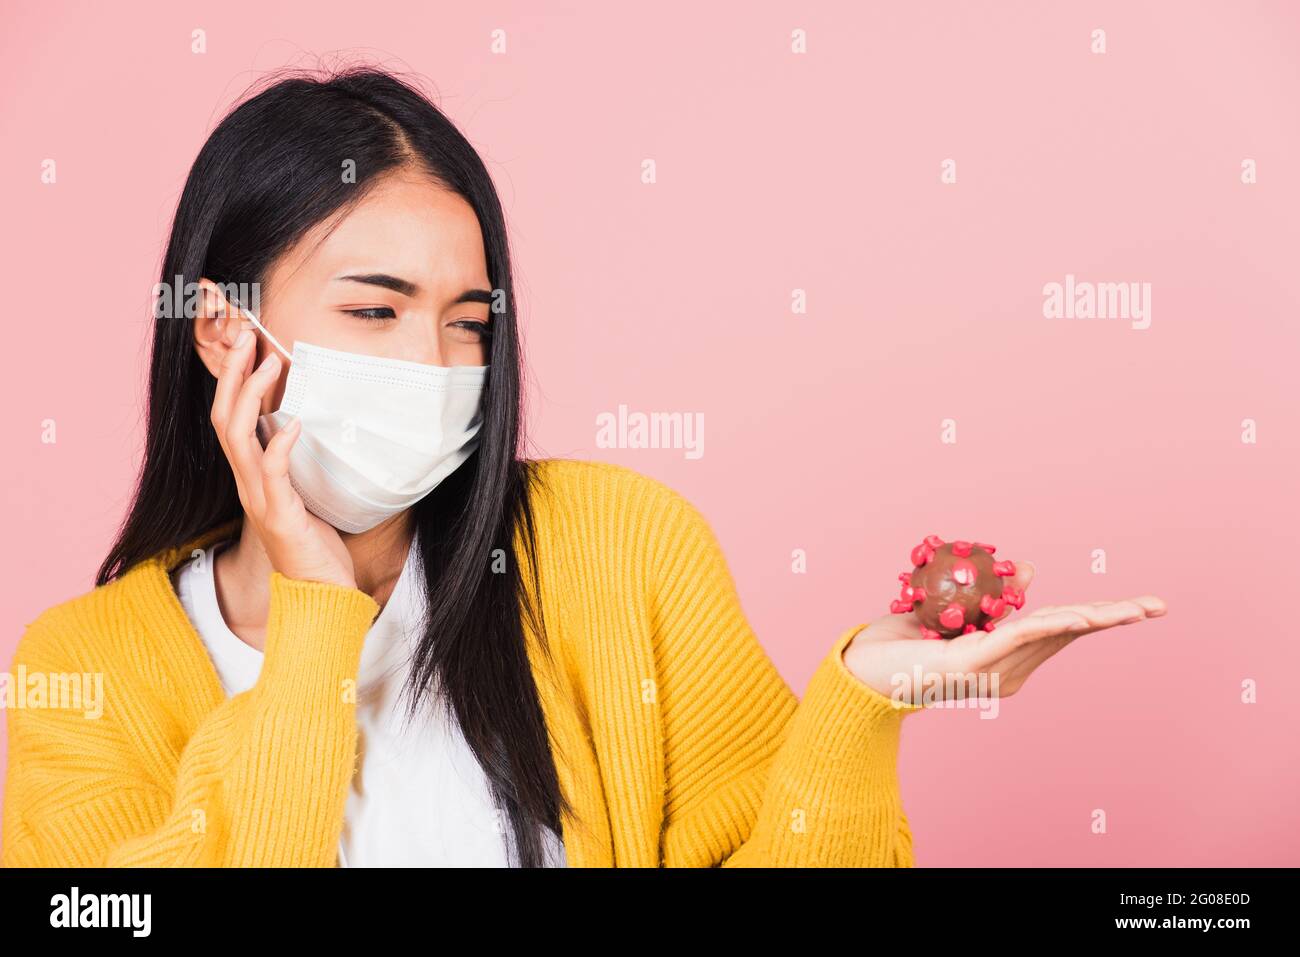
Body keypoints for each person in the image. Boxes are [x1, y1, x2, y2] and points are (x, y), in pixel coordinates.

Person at [0, 67, 1166, 868]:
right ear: (222, 331)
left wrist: (857, 708)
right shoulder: (81, 670)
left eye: (466, 321)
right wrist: (315, 621)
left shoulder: (619, 545)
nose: (435, 363)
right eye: (374, 309)